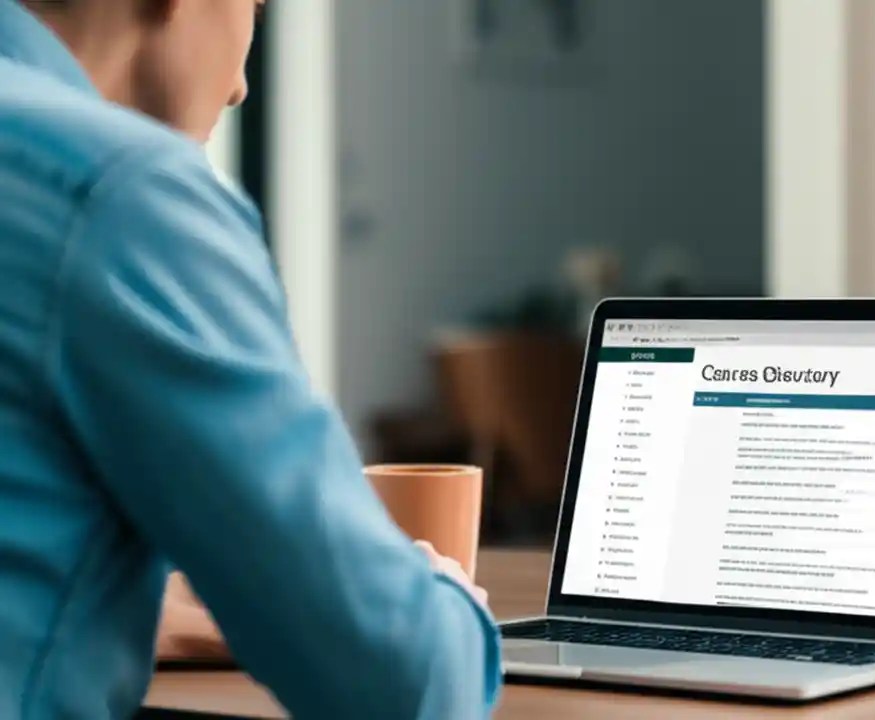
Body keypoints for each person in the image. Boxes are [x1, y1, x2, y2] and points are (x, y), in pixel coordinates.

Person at [0, 0, 500, 717]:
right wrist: (445, 596)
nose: (240, 86)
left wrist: (142, 608)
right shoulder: (121, 194)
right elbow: (400, 681)